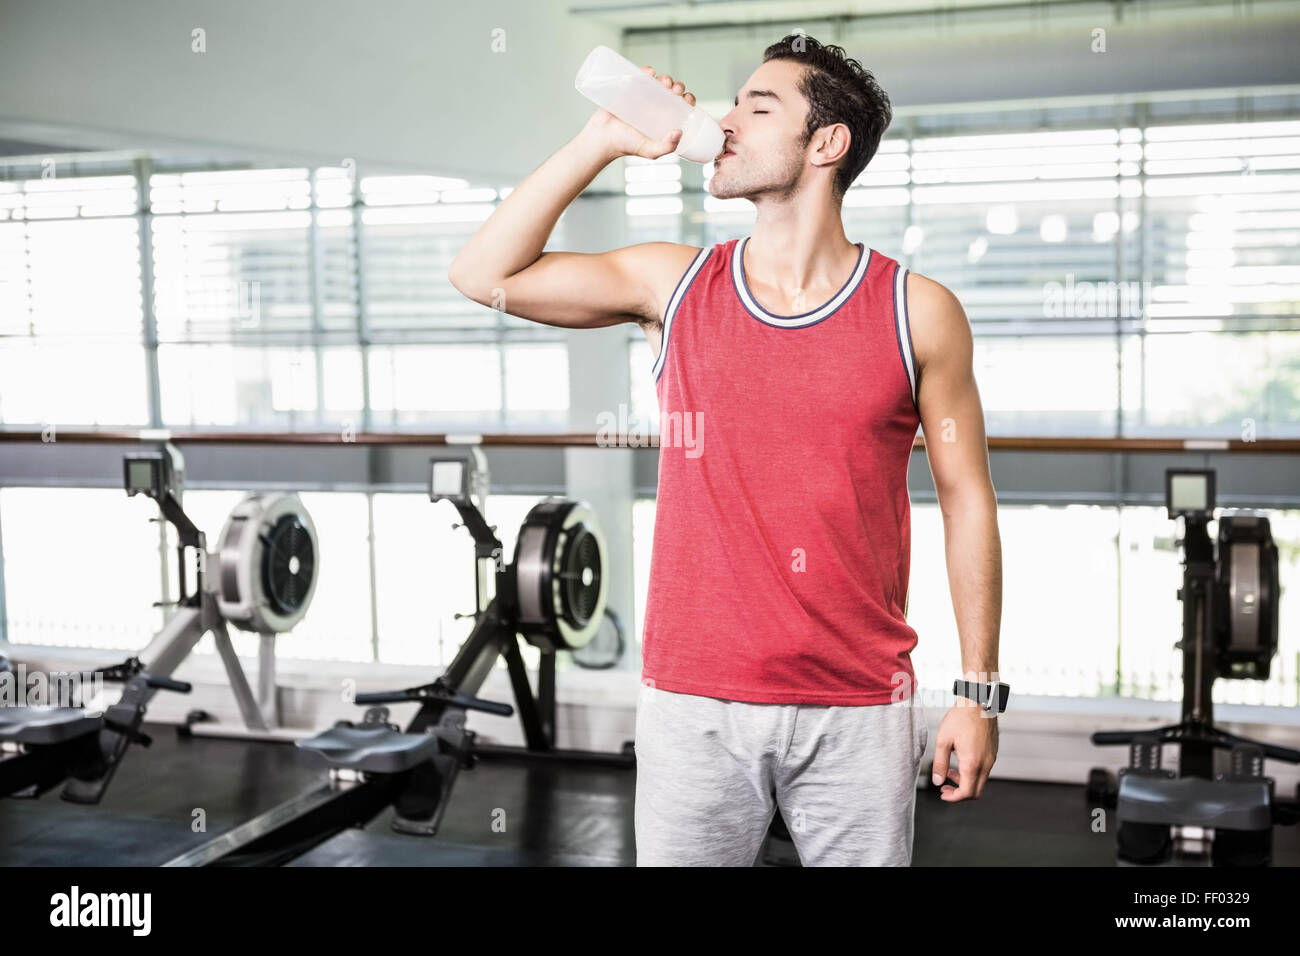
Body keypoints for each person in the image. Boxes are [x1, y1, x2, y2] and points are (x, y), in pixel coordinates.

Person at [450, 33, 1004, 866]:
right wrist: (602, 138)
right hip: (693, 700)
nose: (726, 119)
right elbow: (483, 273)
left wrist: (978, 694)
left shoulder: (918, 311)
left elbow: (967, 498)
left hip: (859, 700)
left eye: (759, 104)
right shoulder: (672, 284)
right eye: (733, 101)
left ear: (827, 144)